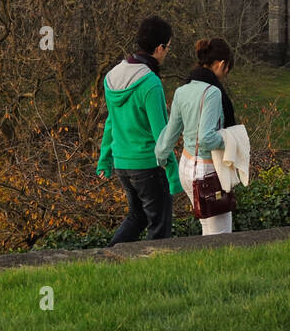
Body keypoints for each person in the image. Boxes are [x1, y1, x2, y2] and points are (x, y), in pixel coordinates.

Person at [96, 15, 182, 244]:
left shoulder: (111, 77)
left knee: (138, 217)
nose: (167, 53)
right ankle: (156, 273)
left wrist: (105, 159)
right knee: (160, 226)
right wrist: (174, 175)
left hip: (122, 164)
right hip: (148, 166)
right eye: (168, 48)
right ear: (159, 48)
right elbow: (161, 136)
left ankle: (108, 258)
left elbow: (111, 123)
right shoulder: (150, 83)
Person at [155, 37, 235, 236]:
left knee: (207, 226)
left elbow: (170, 133)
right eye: (227, 70)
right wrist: (231, 139)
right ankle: (217, 267)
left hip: (187, 168)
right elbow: (207, 138)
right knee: (221, 235)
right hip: (207, 170)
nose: (225, 76)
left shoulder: (183, 90)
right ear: (221, 64)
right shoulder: (213, 93)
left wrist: (161, 157)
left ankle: (207, 265)